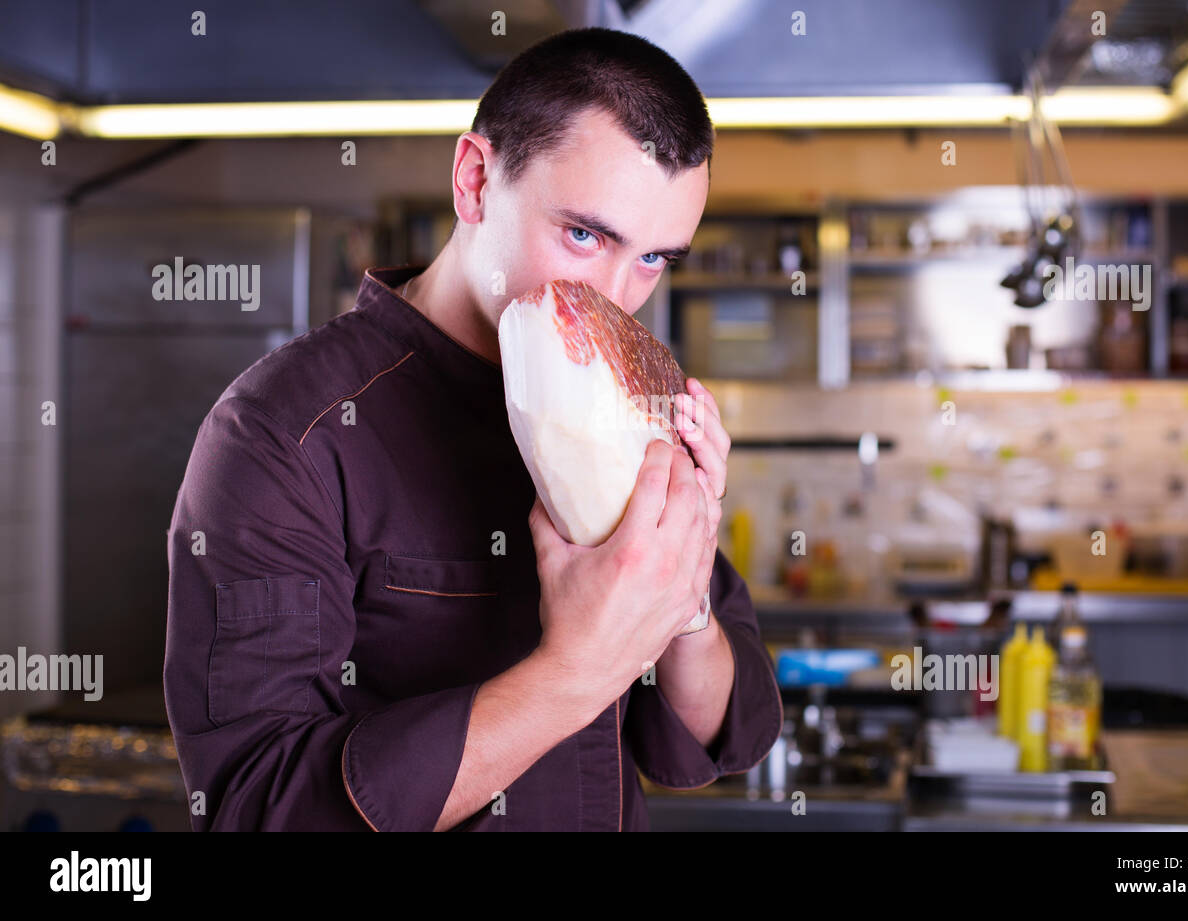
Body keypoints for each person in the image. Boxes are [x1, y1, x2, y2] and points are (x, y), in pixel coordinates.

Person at [164, 26, 782, 831]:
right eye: (585, 236)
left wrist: (683, 569)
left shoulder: (624, 404)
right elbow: (260, 808)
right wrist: (574, 671)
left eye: (655, 258)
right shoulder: (284, 435)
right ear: (475, 181)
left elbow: (715, 735)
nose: (616, 296)